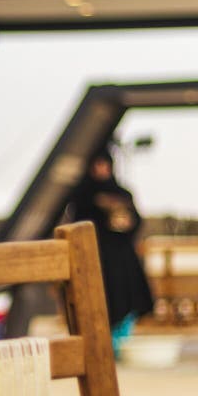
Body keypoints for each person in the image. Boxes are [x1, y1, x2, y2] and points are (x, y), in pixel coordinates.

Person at [69, 146, 153, 355]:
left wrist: (125, 224)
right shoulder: (83, 195)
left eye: (105, 164)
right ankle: (103, 347)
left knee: (128, 300)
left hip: (123, 258)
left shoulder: (122, 193)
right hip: (97, 258)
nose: (101, 169)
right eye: (97, 164)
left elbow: (136, 221)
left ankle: (119, 344)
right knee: (100, 302)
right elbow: (78, 224)